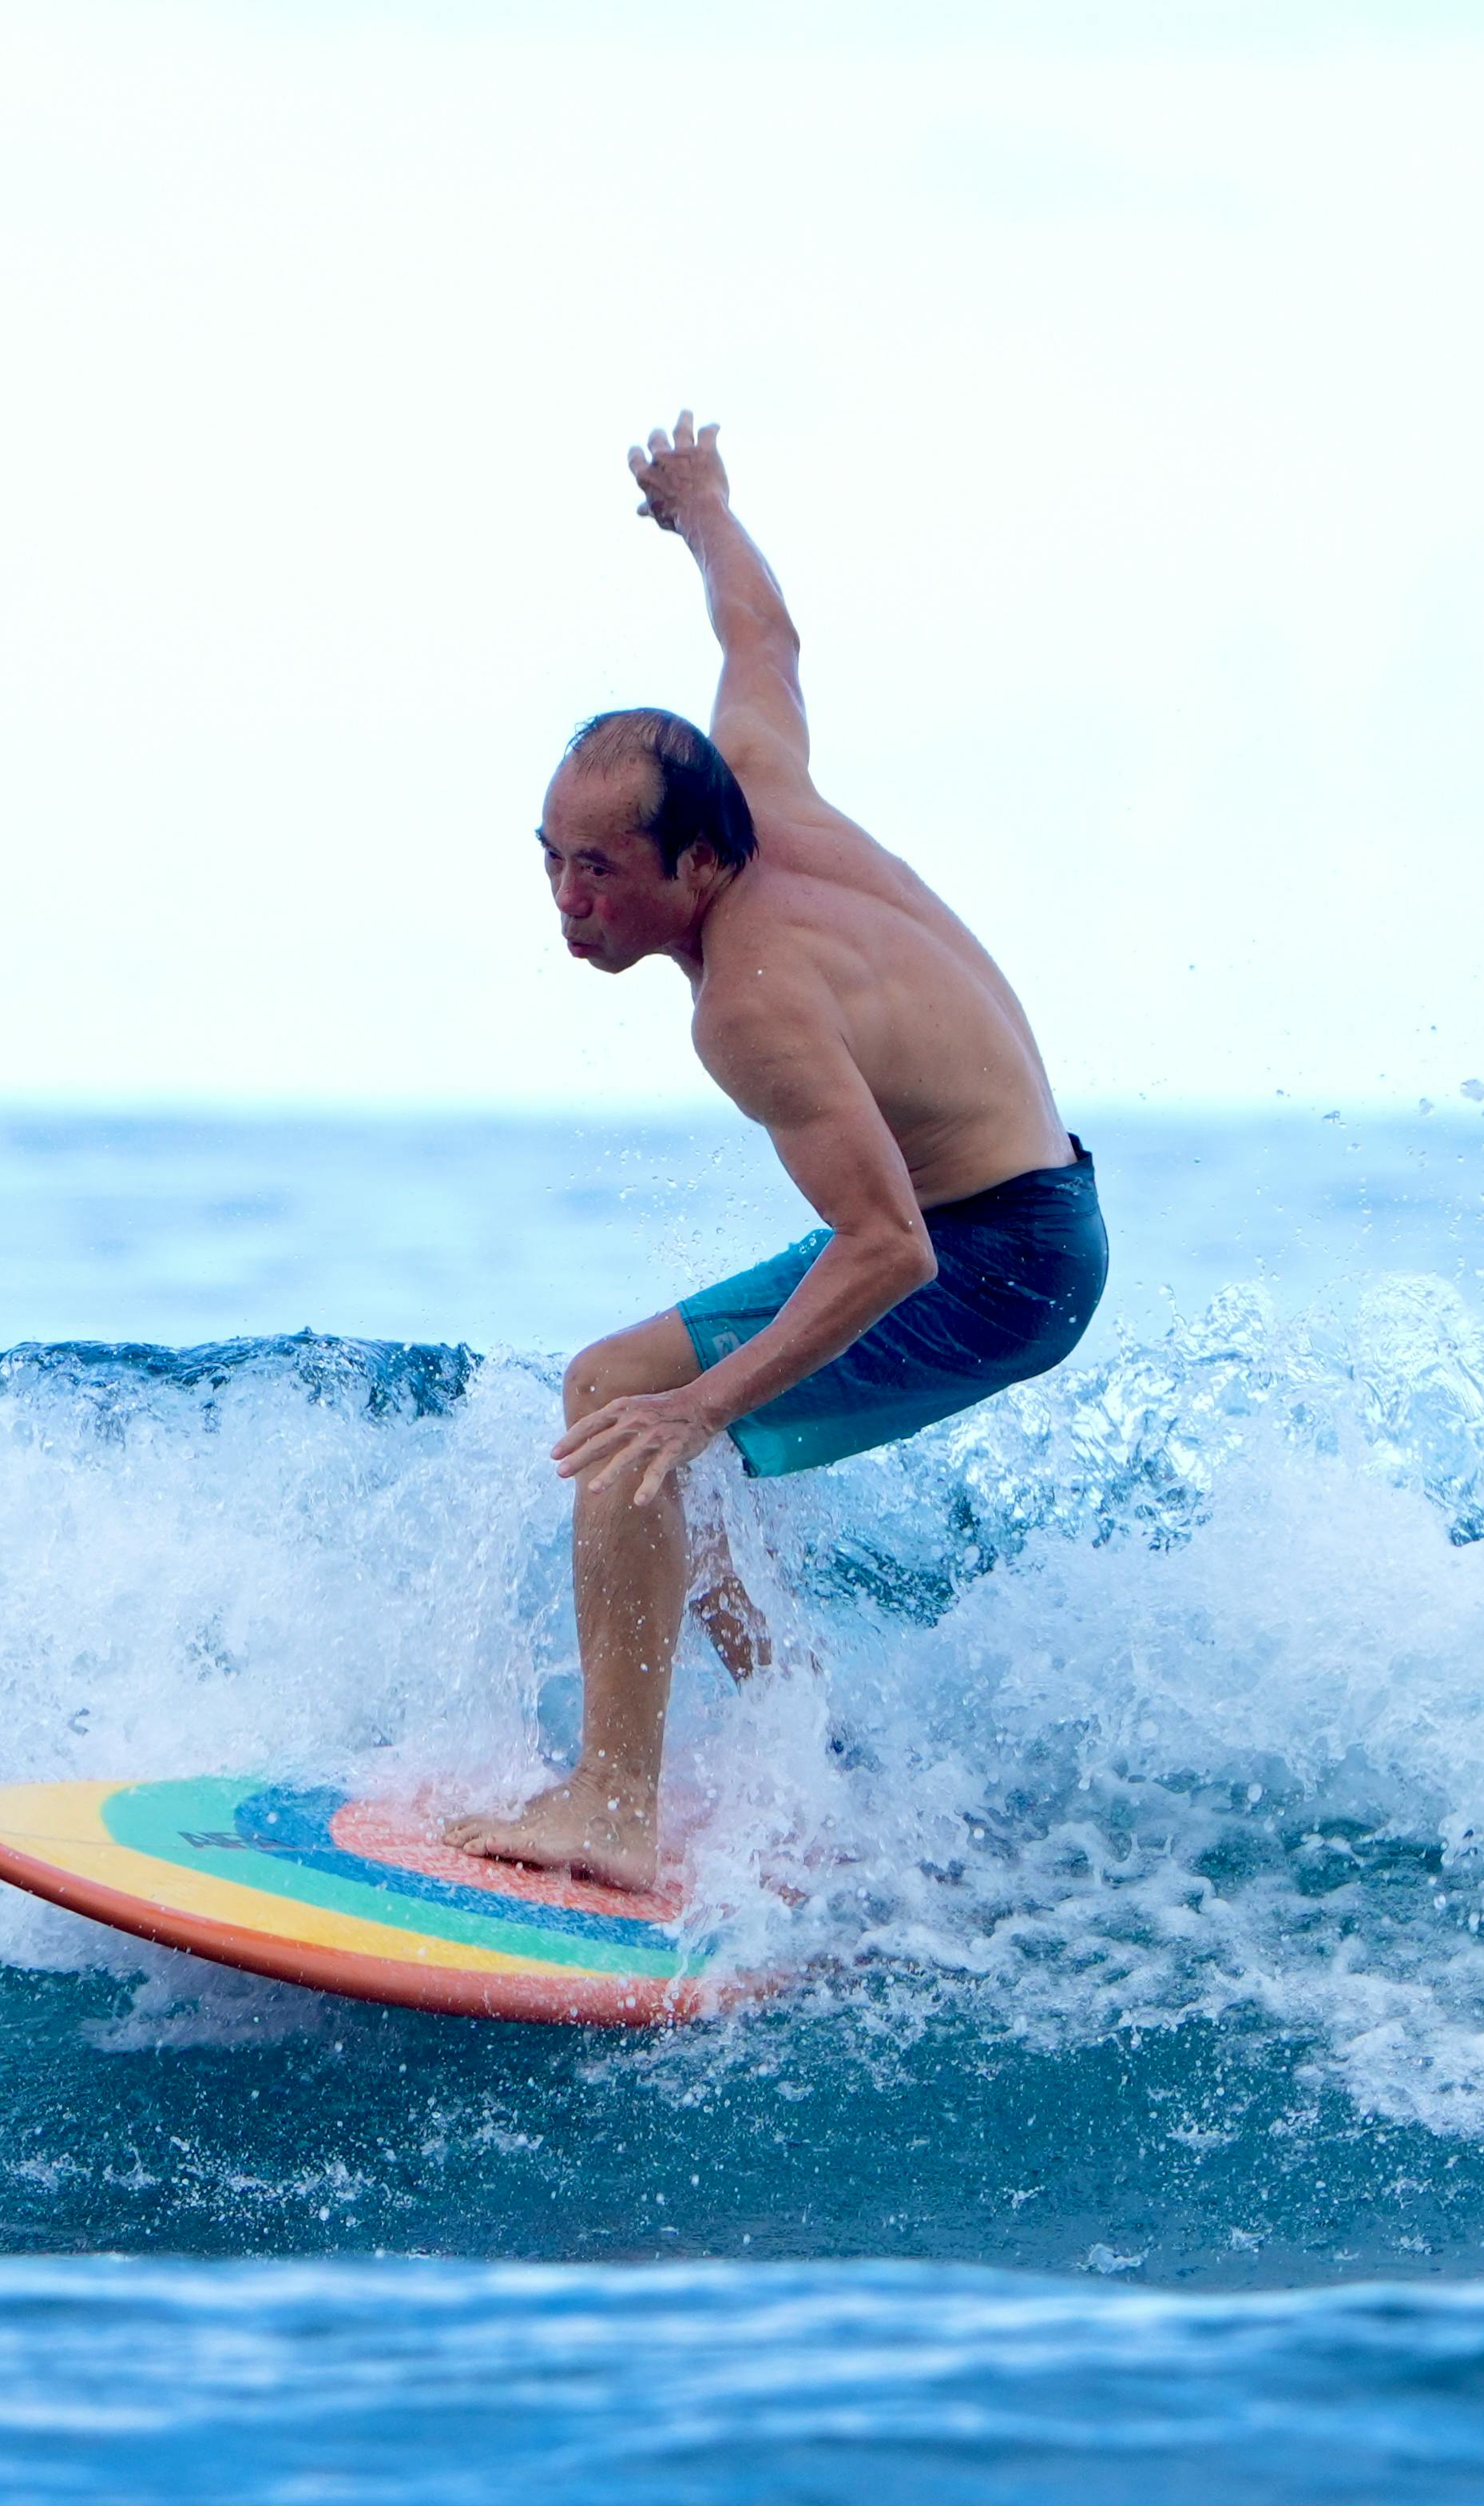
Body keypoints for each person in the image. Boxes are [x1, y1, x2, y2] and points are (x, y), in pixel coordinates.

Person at [447, 415, 1108, 1891]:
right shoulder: (758, 780)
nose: (569, 904)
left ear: (693, 862)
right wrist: (704, 508)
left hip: (998, 1259)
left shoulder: (751, 1002)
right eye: (549, 861)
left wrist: (700, 1408)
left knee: (629, 1401)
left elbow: (892, 1250)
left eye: (602, 871)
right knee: (670, 1417)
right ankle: (802, 1739)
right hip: (1018, 1213)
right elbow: (766, 633)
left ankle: (612, 1806)